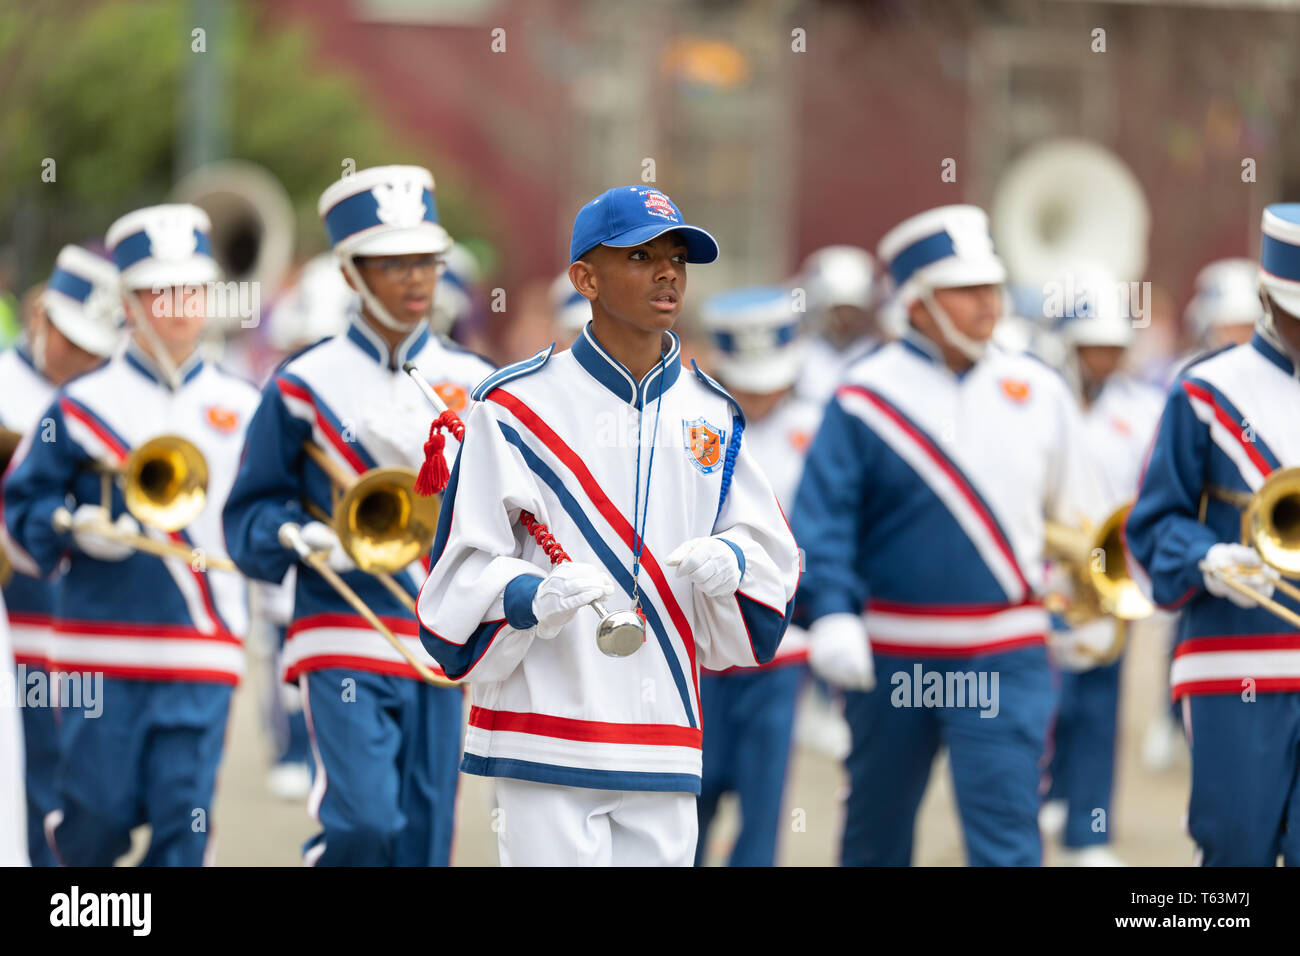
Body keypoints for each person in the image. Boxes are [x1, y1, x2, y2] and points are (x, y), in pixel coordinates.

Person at [416, 185, 801, 866]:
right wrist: (527, 594)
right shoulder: (511, 408)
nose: (668, 273)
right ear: (584, 279)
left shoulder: (714, 415)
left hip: (665, 739)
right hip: (542, 736)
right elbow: (456, 578)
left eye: (678, 258)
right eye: (641, 256)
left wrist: (734, 559)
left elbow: (772, 568)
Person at [791, 204, 1103, 866]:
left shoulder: (1041, 391)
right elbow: (824, 518)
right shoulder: (862, 397)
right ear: (917, 303)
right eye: (966, 290)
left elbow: (1082, 519)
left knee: (1007, 837)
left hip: (1005, 651)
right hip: (890, 653)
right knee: (874, 837)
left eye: (992, 286)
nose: (988, 304)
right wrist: (834, 611)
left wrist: (1089, 606)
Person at [224, 165, 492, 866]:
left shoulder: (478, 384)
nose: (416, 280)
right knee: (364, 822)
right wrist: (295, 535)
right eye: (393, 263)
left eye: (426, 262)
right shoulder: (301, 384)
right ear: (350, 273)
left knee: (426, 838)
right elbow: (250, 509)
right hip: (339, 624)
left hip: (439, 634)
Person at [3, 204, 259, 866]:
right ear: (131, 302)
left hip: (205, 649)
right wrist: (68, 527)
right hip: (98, 650)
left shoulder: (247, 404)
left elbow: (265, 509)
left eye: (192, 290)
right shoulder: (82, 405)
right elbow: (22, 504)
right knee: (96, 822)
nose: (179, 307)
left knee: (185, 825)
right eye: (160, 292)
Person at [1125, 203, 1300, 866]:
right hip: (1236, 663)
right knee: (1235, 850)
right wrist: (1207, 557)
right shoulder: (1205, 390)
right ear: (1264, 298)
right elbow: (1151, 525)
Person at [1036, 263, 1166, 866]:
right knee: (1046, 694)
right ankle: (1045, 795)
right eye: (1094, 348)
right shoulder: (1039, 399)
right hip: (1048, 568)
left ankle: (1091, 832)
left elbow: (1155, 488)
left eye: (1114, 348)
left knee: (1101, 698)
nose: (1105, 359)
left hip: (1114, 568)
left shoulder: (1144, 408)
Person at [0, 246, 122, 866]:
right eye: (70, 340)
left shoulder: (107, 397)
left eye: (92, 347)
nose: (78, 357)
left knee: (84, 779)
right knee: (26, 770)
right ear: (42, 318)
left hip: (83, 621)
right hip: (13, 615)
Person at [693, 285, 820, 867]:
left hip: (781, 647)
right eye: (748, 383)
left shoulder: (816, 431)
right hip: (702, 642)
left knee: (764, 799)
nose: (761, 396)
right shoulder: (696, 424)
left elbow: (828, 524)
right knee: (693, 789)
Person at [794, 245, 881, 405]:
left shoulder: (879, 355)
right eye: (838, 310)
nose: (846, 319)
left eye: (853, 310)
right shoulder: (798, 354)